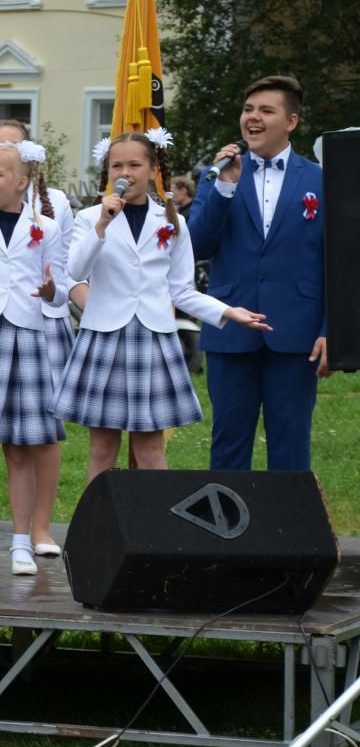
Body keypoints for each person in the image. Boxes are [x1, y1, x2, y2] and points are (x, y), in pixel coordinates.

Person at [52, 131, 271, 483]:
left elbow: (181, 290)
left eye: (135, 164)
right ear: (107, 171)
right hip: (104, 337)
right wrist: (102, 225)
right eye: (116, 165)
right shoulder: (90, 217)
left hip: (153, 338)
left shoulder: (172, 221)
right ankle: (95, 531)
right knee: (102, 448)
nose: (126, 172)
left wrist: (226, 312)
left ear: (154, 168)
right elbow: (75, 272)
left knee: (150, 448)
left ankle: (156, 532)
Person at [0, 119, 81, 561]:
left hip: (28, 334)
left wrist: (51, 293)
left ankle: (23, 540)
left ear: (22, 181)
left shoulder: (45, 223)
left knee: (22, 446)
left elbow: (62, 283)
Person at [188, 75, 328, 472]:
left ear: (291, 122)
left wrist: (330, 330)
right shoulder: (216, 175)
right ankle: (228, 532)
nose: (253, 117)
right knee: (228, 442)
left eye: (266, 110)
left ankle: (289, 532)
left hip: (297, 331)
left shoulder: (320, 179)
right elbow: (196, 247)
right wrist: (225, 189)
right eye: (248, 109)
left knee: (291, 442)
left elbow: (339, 261)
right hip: (231, 328)